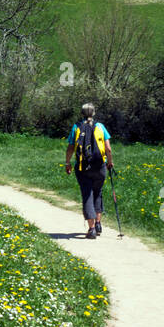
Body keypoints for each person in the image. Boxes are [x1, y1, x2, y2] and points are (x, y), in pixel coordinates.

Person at [64, 102, 114, 239]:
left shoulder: (76, 127)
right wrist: (110, 162)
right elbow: (108, 149)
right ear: (94, 113)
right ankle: (98, 223)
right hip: (100, 166)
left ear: (82, 113)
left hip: (82, 167)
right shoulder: (100, 126)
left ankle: (91, 229)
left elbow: (70, 148)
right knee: (98, 193)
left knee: (87, 194)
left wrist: (67, 163)